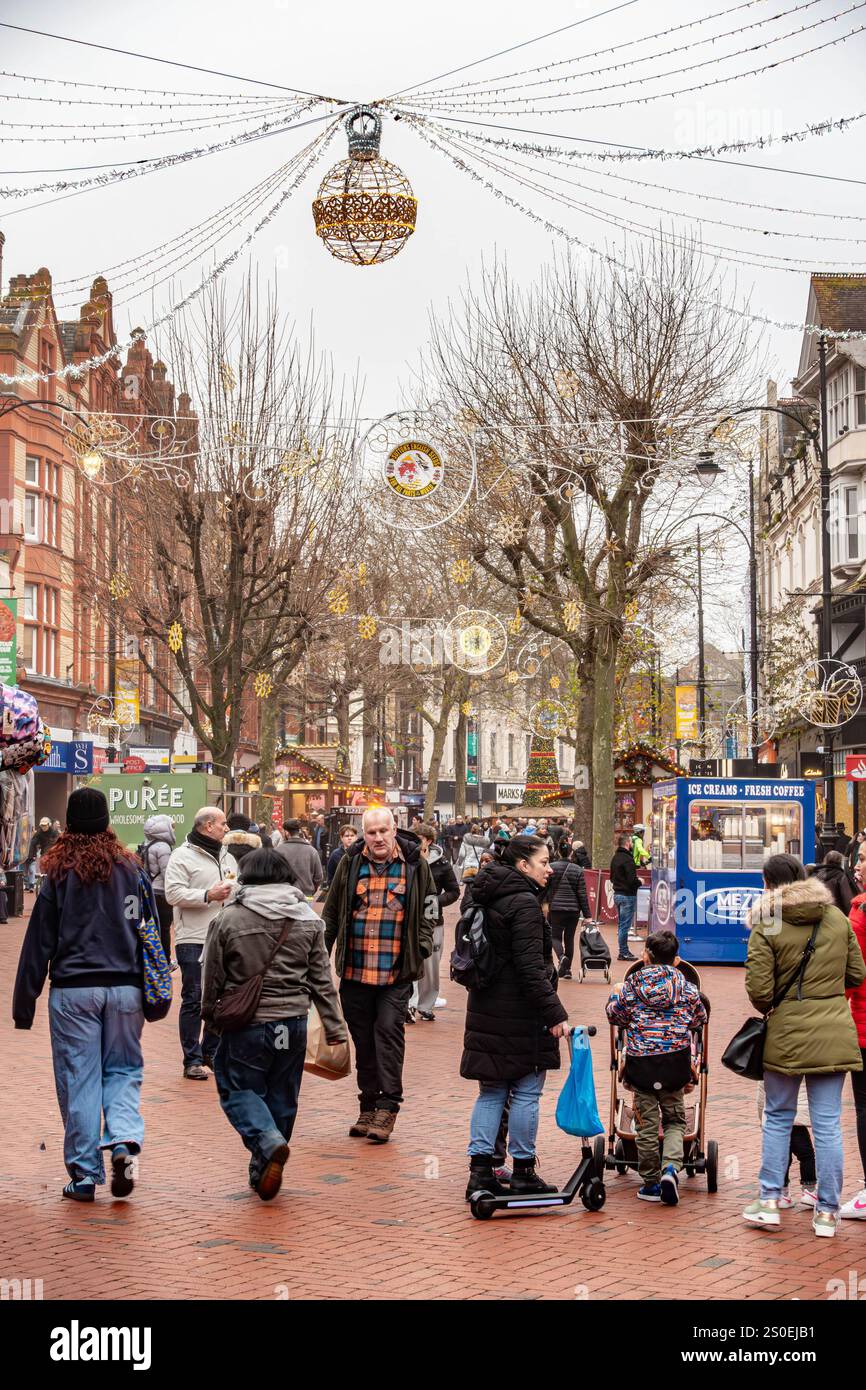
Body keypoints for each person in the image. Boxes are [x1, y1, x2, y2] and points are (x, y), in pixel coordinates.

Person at [12, 788, 156, 1202]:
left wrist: (25, 1003)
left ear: (70, 823)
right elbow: (149, 928)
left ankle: (84, 1174)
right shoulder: (131, 868)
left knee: (80, 1081)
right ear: (107, 820)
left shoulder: (58, 872)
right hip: (127, 989)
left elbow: (40, 939)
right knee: (124, 1071)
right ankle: (126, 1141)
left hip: (75, 991)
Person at [201, 848, 347, 1201]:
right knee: (283, 1096)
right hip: (293, 1022)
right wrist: (334, 1026)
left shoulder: (229, 919)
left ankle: (268, 1143)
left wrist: (210, 1020)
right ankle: (264, 1162)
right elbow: (321, 980)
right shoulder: (309, 919)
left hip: (248, 1024)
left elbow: (213, 976)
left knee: (237, 1089)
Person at [742, 853, 865, 1236]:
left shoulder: (768, 920)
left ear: (768, 884)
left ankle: (769, 1200)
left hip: (787, 1032)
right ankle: (827, 1211)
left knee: (778, 1115)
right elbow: (858, 973)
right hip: (833, 1031)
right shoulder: (836, 917)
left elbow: (760, 991)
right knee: (828, 1123)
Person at [461, 835, 569, 1199]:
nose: (550, 868)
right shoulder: (523, 904)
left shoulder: (487, 892)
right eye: (543, 862)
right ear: (523, 865)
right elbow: (530, 968)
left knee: (491, 1091)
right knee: (525, 1090)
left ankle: (481, 1171)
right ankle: (523, 1169)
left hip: (487, 1006)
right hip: (519, 1012)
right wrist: (555, 1013)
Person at [323, 808, 435, 1143]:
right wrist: (320, 957)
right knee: (363, 1040)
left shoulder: (416, 864)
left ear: (394, 829)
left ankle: (388, 1105)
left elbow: (430, 908)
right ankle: (368, 1103)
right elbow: (331, 911)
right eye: (371, 832)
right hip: (355, 972)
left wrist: (423, 945)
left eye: (384, 831)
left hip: (395, 972)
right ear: (364, 834)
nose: (378, 838)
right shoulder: (350, 862)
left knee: (387, 1032)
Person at [606, 929, 707, 1204]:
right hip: (676, 1065)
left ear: (646, 956)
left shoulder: (631, 986)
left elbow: (614, 1015)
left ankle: (650, 1183)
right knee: (675, 1120)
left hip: (641, 1066)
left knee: (646, 1125)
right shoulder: (688, 989)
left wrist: (618, 999)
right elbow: (700, 1018)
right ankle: (671, 1168)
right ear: (676, 960)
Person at [164, 806, 232, 1080]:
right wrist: (208, 894)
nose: (227, 829)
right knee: (193, 997)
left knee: (223, 997)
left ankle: (210, 1052)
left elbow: (236, 885)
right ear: (208, 826)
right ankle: (191, 1059)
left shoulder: (227, 856)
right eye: (223, 824)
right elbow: (173, 893)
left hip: (224, 936)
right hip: (192, 936)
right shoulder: (181, 856)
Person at [415, 823, 460, 1021]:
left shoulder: (441, 863)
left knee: (431, 964)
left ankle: (426, 1004)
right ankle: (409, 1003)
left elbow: (453, 891)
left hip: (433, 920)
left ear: (428, 841)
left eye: (418, 839)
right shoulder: (402, 860)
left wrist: (435, 900)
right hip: (407, 919)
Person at [841, 881, 866, 1218]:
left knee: (864, 1106)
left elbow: (852, 973)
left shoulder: (860, 911)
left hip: (864, 1025)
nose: (858, 865)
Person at [544, 840, 591, 979]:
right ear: (571, 853)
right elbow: (582, 894)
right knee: (569, 938)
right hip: (573, 910)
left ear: (558, 852)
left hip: (556, 908)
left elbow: (545, 888)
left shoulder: (551, 868)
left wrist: (544, 903)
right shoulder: (577, 869)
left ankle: (561, 957)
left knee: (555, 936)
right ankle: (568, 970)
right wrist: (587, 915)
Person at [140, 814, 177, 967]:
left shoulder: (149, 844)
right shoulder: (163, 847)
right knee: (164, 929)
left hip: (152, 892)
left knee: (154, 927)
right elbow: (168, 872)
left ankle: (154, 959)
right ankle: (165, 961)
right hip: (162, 893)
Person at [275, 819, 323, 899]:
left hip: (283, 897)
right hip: (306, 896)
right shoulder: (312, 851)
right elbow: (319, 877)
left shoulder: (278, 851)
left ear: (287, 833)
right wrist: (311, 889)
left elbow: (273, 875)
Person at [610, 833, 639, 963]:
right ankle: (623, 951)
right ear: (627, 843)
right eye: (631, 843)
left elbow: (611, 877)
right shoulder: (628, 859)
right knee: (624, 926)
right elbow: (631, 880)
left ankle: (623, 950)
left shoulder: (615, 858)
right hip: (627, 895)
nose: (632, 845)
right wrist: (640, 882)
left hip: (617, 894)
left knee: (622, 925)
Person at [811, 850, 858, 915]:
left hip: (817, 914)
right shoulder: (840, 876)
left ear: (825, 860)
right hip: (835, 914)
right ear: (839, 862)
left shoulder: (816, 875)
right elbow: (847, 899)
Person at [25, 816, 60, 891]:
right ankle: (44, 882)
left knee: (54, 869)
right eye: (42, 825)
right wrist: (31, 855)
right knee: (43, 869)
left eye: (45, 825)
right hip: (44, 853)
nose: (43, 827)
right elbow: (33, 843)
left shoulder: (54, 832)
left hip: (54, 853)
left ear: (49, 824)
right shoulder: (39, 833)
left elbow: (58, 842)